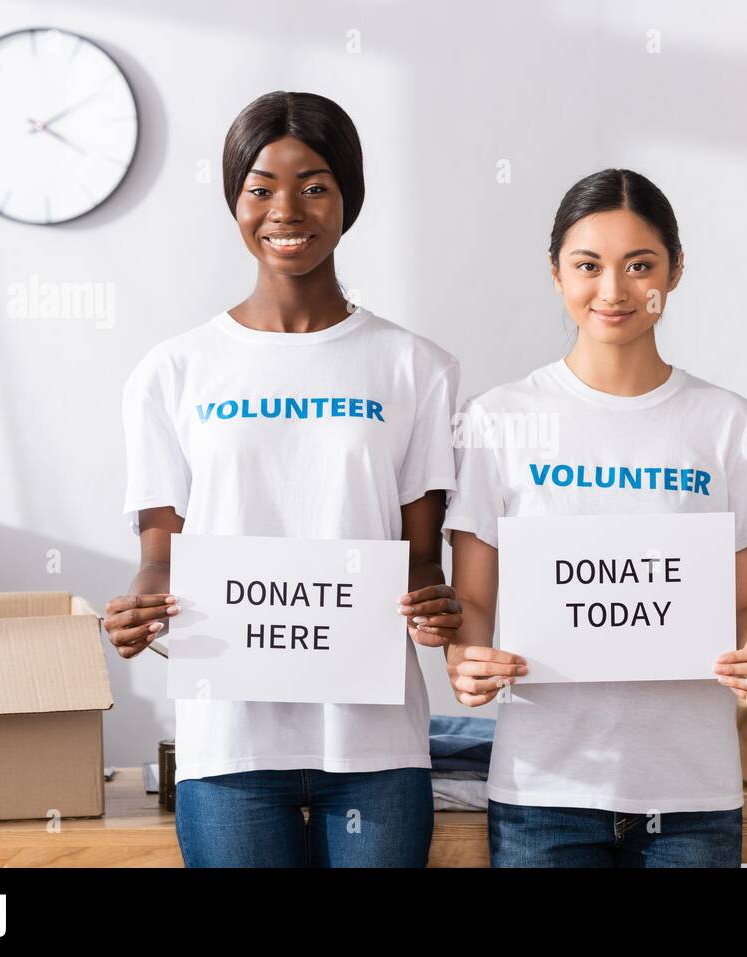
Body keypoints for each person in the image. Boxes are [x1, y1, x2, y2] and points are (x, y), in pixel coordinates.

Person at [105, 91, 461, 867]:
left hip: (374, 743)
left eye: (315, 185)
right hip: (231, 743)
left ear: (348, 199)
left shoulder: (417, 368)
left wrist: (437, 605)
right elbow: (162, 554)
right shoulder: (171, 373)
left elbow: (423, 556)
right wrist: (141, 608)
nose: (285, 209)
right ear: (235, 199)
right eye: (260, 186)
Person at [441, 168, 747, 867]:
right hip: (544, 791)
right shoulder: (498, 419)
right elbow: (473, 599)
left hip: (691, 796)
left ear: (676, 270)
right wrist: (465, 657)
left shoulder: (728, 423)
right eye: (588, 265)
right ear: (555, 274)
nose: (613, 290)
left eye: (640, 266)